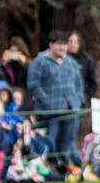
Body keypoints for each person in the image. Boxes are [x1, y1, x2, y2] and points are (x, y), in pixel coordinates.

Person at [27, 30, 85, 168]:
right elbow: (34, 85)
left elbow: (79, 84)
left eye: (65, 45)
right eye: (59, 44)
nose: (63, 48)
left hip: (70, 109)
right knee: (50, 140)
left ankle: (63, 167)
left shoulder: (71, 62)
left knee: (67, 140)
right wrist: (46, 101)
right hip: (49, 111)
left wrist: (78, 100)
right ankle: (48, 167)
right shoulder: (40, 61)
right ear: (51, 45)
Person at [67, 31, 99, 102]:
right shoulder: (61, 59)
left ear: (80, 44)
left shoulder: (86, 61)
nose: (72, 44)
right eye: (70, 41)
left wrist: (84, 97)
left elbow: (93, 84)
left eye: (75, 42)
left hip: (78, 101)